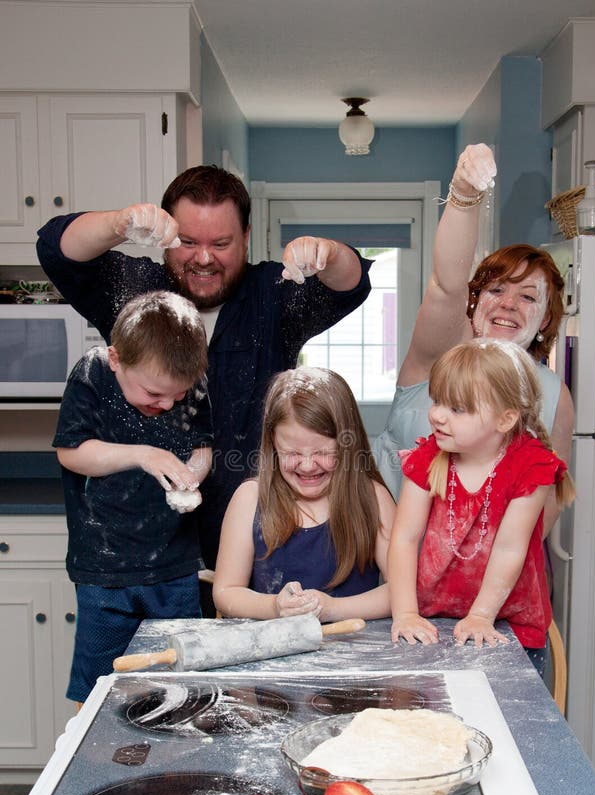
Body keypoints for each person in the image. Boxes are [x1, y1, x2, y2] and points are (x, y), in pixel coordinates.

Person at [36, 166, 372, 615]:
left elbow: (352, 285)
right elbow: (57, 251)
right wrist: (119, 223)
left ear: (246, 236)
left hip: (255, 545)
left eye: (221, 244)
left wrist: (327, 253)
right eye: (188, 242)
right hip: (142, 557)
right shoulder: (136, 291)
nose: (203, 258)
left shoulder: (274, 295)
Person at [373, 143, 574, 536]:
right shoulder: (442, 351)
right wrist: (464, 194)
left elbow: (546, 505)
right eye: (496, 290)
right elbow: (447, 283)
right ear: (475, 299)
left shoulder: (553, 395)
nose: (508, 304)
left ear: (546, 318)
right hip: (387, 554)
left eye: (527, 297)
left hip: (490, 567)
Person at [53, 291, 213, 703]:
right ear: (116, 359)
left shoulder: (191, 380)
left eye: (177, 395)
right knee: (100, 692)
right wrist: (144, 455)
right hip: (104, 570)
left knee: (182, 687)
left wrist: (189, 478)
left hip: (174, 568)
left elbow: (202, 450)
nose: (167, 403)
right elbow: (72, 453)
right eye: (154, 393)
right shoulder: (92, 374)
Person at [388, 339, 575, 674]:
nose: (437, 415)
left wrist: (481, 615)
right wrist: (405, 613)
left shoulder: (530, 465)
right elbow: (404, 538)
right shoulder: (428, 458)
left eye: (458, 409)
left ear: (505, 419)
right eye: (437, 400)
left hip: (507, 626)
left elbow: (509, 548)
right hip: (432, 620)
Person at [212, 366, 396, 622]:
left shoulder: (372, 499)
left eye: (322, 453)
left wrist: (333, 609)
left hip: (353, 644)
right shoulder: (250, 499)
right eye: (292, 453)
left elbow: (405, 590)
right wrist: (275, 606)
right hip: (273, 644)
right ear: (273, 444)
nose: (308, 465)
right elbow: (226, 592)